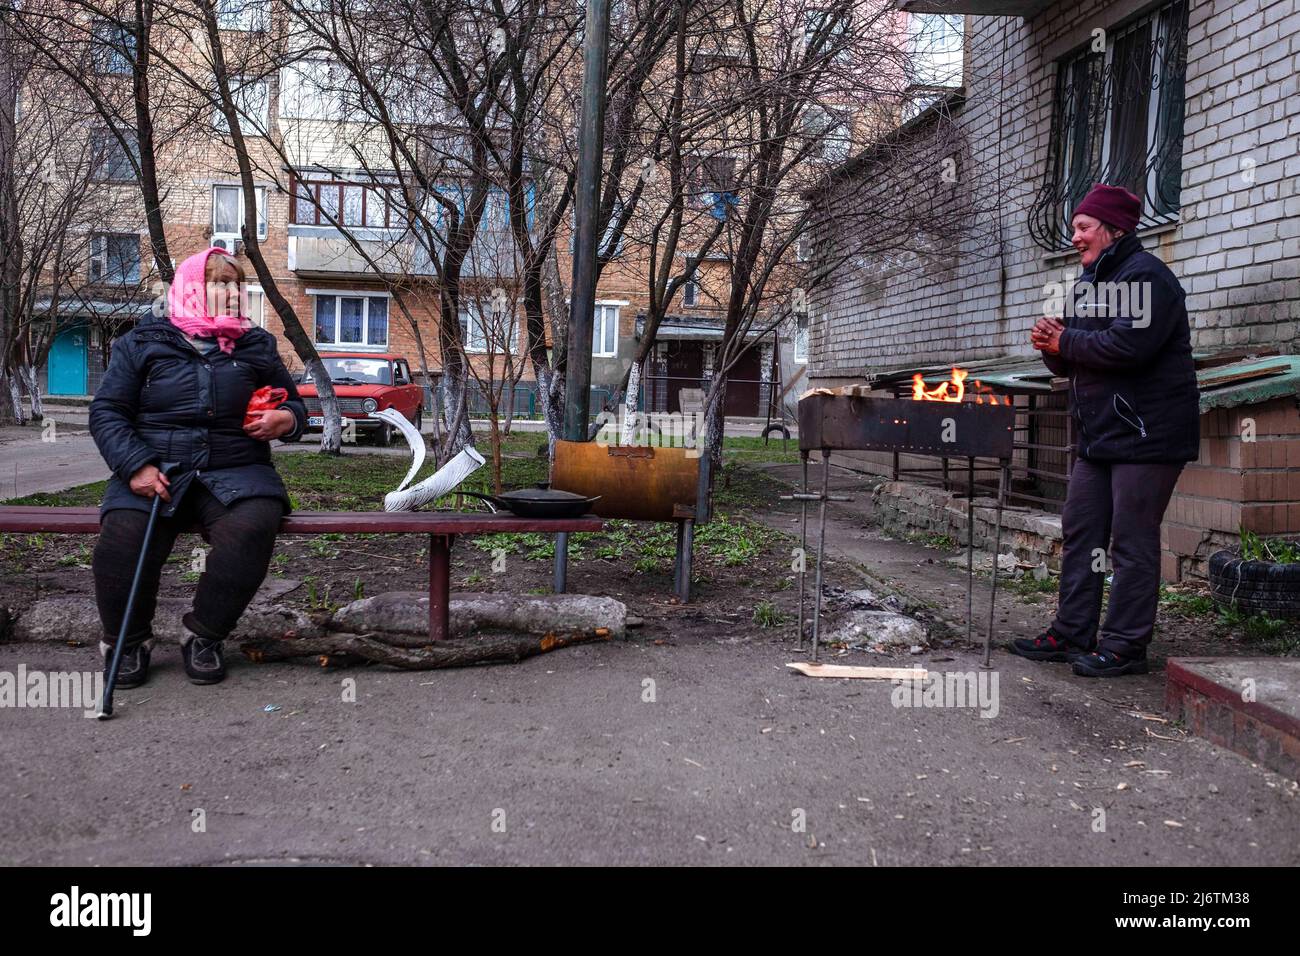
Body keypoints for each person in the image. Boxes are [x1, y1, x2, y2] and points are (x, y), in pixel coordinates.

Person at [89, 248, 306, 687]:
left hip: (236, 468)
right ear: (190, 287)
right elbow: (108, 411)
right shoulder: (142, 342)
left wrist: (287, 420)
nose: (230, 293)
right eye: (218, 283)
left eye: (235, 284)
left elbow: (296, 404)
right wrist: (136, 465)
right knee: (123, 538)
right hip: (156, 467)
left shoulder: (255, 344)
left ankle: (204, 634)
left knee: (252, 527)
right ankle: (127, 642)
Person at [1012, 184, 1199, 677]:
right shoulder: (1090, 284)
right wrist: (1052, 347)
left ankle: (1124, 646)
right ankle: (1071, 632)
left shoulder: (1148, 278)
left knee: (1132, 542)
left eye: (1083, 227)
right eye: (1074, 228)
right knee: (1081, 530)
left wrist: (1065, 338)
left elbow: (1127, 349)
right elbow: (1081, 356)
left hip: (1147, 437)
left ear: (1114, 229)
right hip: (1100, 436)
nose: (1074, 237)